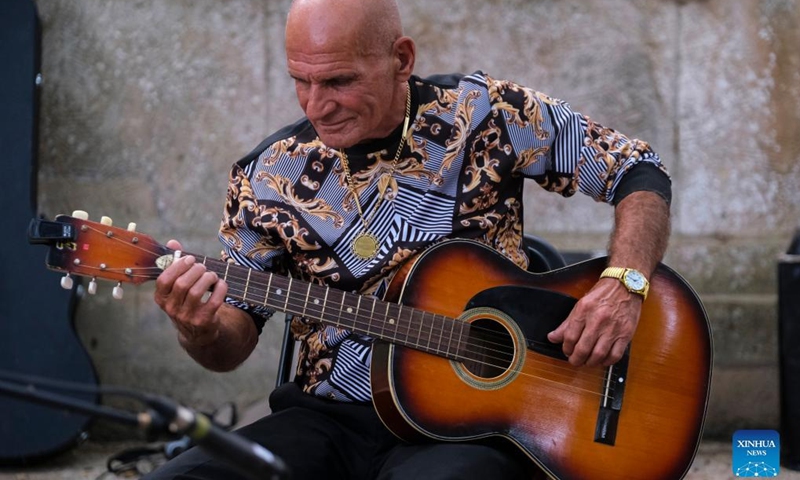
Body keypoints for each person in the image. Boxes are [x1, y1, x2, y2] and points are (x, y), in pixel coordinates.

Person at [147, 0, 671, 478]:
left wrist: (625, 283)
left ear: (401, 58)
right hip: (329, 419)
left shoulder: (487, 115)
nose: (315, 106)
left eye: (338, 81)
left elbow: (638, 171)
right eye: (300, 81)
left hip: (479, 423)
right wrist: (198, 328)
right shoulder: (267, 178)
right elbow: (231, 340)